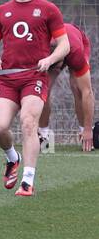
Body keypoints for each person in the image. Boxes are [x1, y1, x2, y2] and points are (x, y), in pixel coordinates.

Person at [0, 0, 69, 196]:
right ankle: (13, 158)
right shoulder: (1, 12)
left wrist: (50, 59)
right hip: (8, 79)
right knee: (0, 129)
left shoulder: (48, 9)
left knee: (29, 122)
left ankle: (27, 181)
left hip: (35, 77)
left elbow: (64, 44)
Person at [38, 22, 93, 152]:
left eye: (58, 66)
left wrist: (87, 129)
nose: (59, 70)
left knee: (77, 88)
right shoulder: (40, 48)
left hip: (76, 42)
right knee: (43, 89)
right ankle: (44, 135)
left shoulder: (76, 53)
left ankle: (83, 134)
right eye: (56, 68)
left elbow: (88, 93)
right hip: (52, 54)